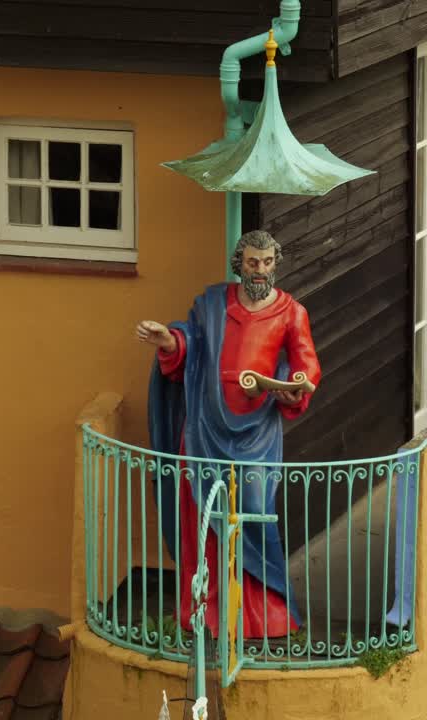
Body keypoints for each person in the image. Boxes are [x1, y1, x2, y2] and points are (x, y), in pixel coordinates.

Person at [137, 230, 320, 638]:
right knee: (202, 520)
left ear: (276, 264)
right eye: (252, 263)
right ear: (240, 264)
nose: (260, 271)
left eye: (267, 262)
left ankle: (265, 609)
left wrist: (293, 383)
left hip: (256, 437)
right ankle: (206, 605)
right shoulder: (212, 304)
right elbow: (190, 346)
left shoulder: (292, 313)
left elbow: (305, 364)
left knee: (253, 517)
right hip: (204, 430)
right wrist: (169, 340)